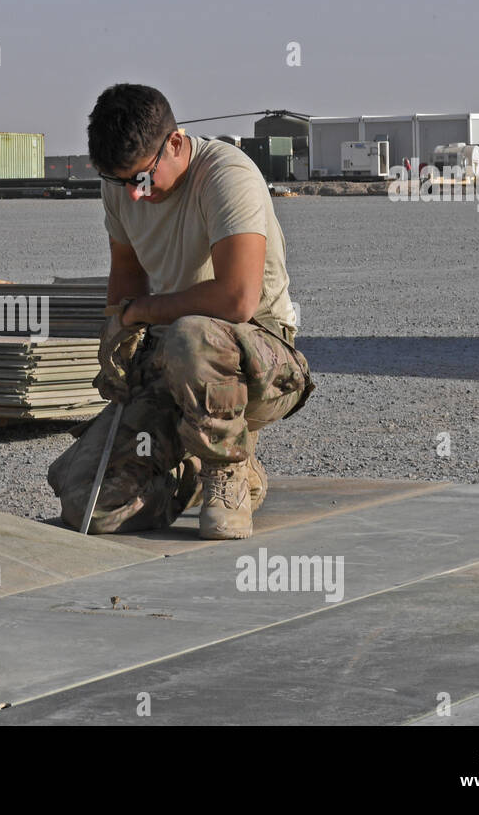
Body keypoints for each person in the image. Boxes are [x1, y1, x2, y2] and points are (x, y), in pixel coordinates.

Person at [49, 84, 313, 539]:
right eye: (119, 181)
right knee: (87, 504)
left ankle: (226, 471)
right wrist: (119, 336)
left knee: (193, 335)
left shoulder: (227, 176)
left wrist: (143, 312)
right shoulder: (122, 185)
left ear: (174, 143)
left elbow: (237, 298)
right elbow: (127, 274)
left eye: (140, 178)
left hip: (259, 362)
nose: (132, 194)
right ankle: (194, 468)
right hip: (174, 361)